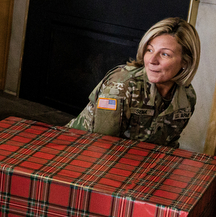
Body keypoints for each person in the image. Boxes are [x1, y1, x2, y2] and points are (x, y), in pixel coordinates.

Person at [67, 17, 201, 148]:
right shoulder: (121, 85)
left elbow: (168, 146)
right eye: (149, 50)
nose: (152, 60)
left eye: (165, 54)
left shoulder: (188, 96)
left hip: (133, 159)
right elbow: (102, 145)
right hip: (78, 149)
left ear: (185, 61)